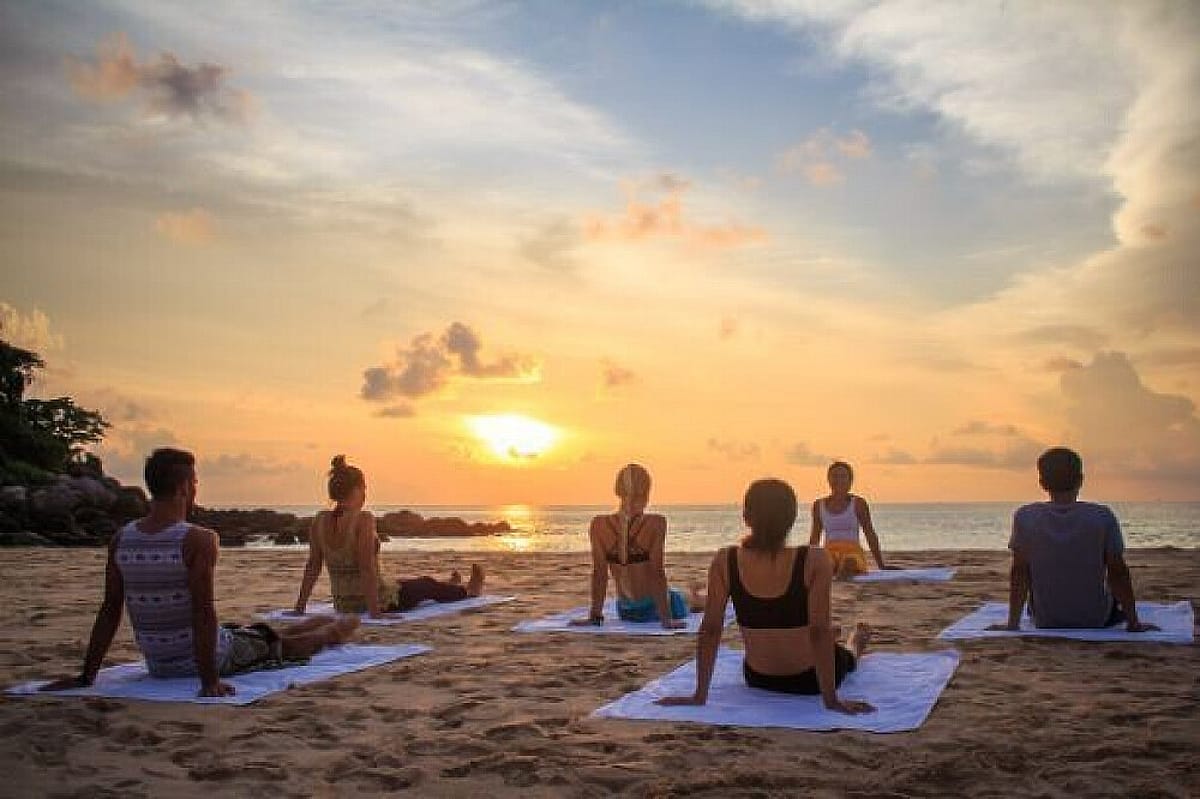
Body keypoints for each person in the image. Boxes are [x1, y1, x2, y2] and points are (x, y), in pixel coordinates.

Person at [40, 448, 359, 698]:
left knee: (260, 634)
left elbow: (109, 610)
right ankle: (331, 632)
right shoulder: (197, 540)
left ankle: (318, 624)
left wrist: (87, 676)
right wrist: (210, 682)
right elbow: (202, 612)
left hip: (159, 664)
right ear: (182, 488)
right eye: (194, 482)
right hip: (207, 659)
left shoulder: (122, 539)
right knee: (281, 647)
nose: (195, 488)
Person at [657, 478, 875, 714]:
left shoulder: (725, 560)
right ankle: (855, 642)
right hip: (809, 681)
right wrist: (831, 700)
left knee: (825, 634)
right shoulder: (814, 559)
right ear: (792, 519)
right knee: (846, 656)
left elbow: (710, 629)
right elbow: (818, 631)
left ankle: (843, 638)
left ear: (746, 517)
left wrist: (699, 695)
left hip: (758, 677)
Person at [990, 447, 1159, 632]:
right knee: (1112, 596)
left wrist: (1012, 624)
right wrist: (1133, 623)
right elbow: (1117, 573)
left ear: (1042, 483)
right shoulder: (1101, 516)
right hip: (1096, 618)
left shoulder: (1025, 517)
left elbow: (1020, 572)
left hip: (1046, 619)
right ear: (1081, 480)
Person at [292, 456, 484, 618]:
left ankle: (447, 587)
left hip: (343, 605)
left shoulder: (319, 520)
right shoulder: (363, 519)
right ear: (357, 490)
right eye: (364, 488)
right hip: (376, 601)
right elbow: (366, 567)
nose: (365, 493)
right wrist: (375, 612)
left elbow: (313, 566)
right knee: (426, 584)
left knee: (407, 584)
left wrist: (299, 608)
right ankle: (468, 591)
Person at [570, 464, 701, 630]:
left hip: (625, 610)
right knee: (691, 601)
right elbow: (657, 573)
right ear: (647, 492)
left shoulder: (598, 525)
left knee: (681, 595)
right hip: (652, 609)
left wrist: (594, 616)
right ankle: (695, 594)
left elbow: (599, 574)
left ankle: (692, 592)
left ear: (618, 491)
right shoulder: (656, 523)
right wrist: (666, 620)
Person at [809, 461, 895, 578]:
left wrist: (880, 564)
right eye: (835, 476)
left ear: (850, 481)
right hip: (829, 551)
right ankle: (835, 572)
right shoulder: (818, 505)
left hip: (853, 552)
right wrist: (808, 562)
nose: (839, 480)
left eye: (843, 476)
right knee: (827, 562)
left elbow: (869, 533)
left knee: (849, 562)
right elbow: (815, 536)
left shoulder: (858, 503)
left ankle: (841, 574)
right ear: (828, 479)